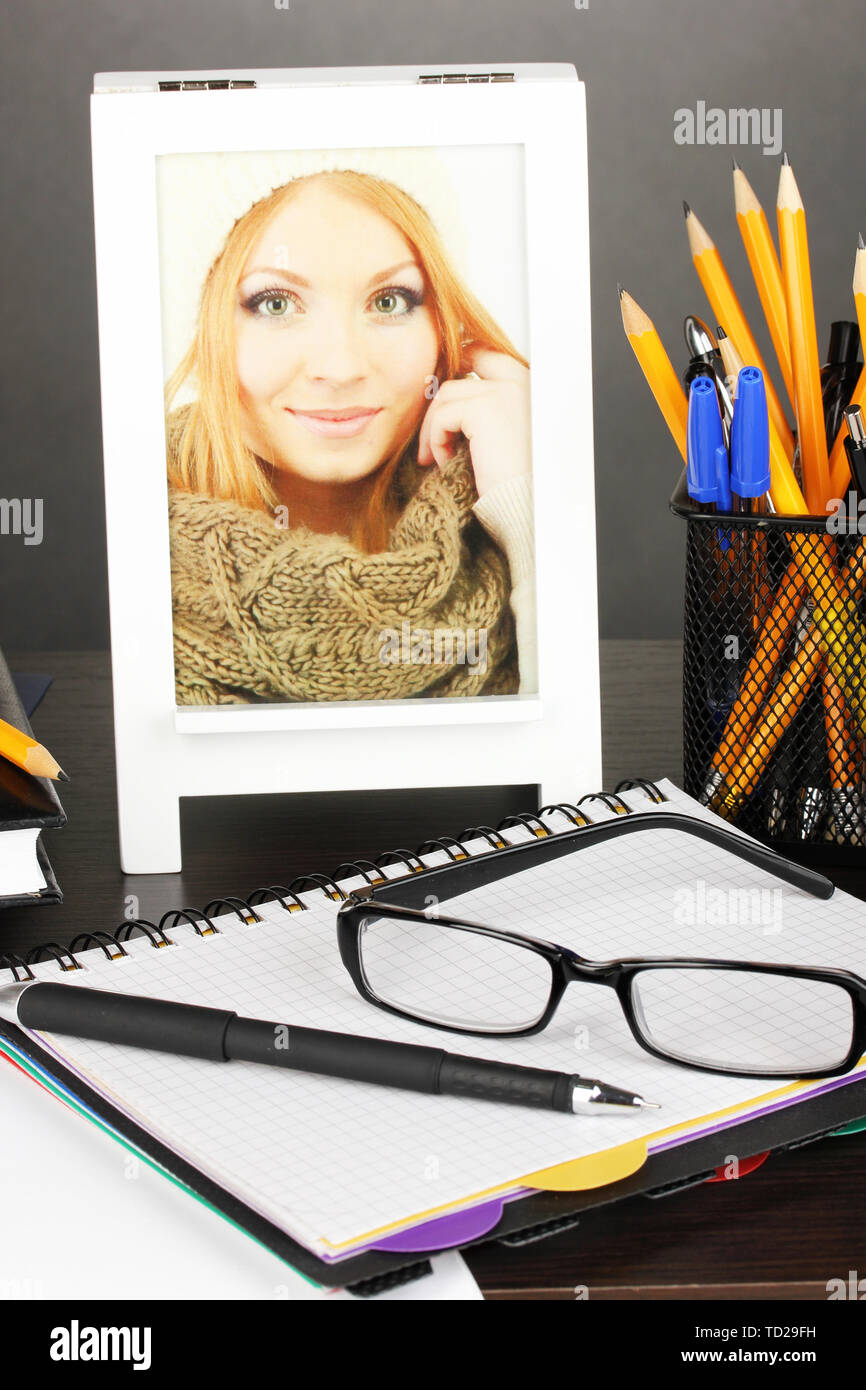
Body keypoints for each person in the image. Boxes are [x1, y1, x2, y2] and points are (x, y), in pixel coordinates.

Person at [166, 168, 536, 705]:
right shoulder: (137, 548)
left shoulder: (510, 493)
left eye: (390, 301)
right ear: (207, 333)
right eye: (275, 303)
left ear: (444, 330)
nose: (339, 368)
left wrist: (526, 518)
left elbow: (566, 760)